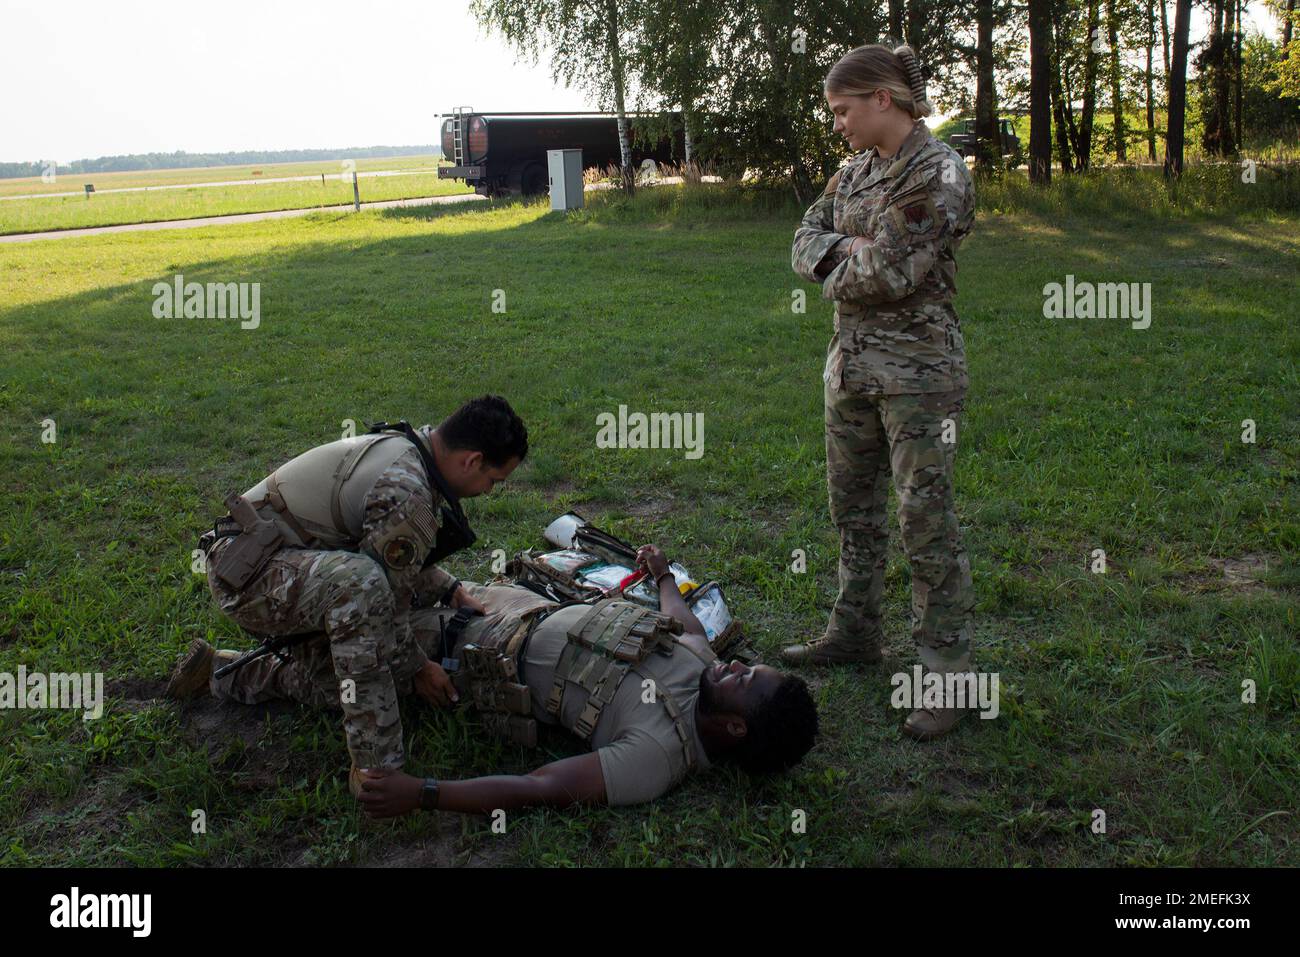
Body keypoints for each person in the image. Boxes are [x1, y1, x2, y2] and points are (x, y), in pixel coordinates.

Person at [168, 395, 527, 792]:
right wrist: (417, 668)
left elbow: (388, 554)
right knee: (362, 588)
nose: (489, 491)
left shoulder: (411, 447)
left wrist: (450, 588)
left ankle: (219, 673)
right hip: (248, 576)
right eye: (493, 481)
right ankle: (378, 773)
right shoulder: (406, 487)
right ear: (472, 460)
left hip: (278, 560)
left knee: (333, 685)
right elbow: (384, 599)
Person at [784, 43, 978, 741]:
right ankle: (855, 631)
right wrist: (847, 249)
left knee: (925, 525)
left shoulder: (940, 172)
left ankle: (948, 677)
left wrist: (847, 255)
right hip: (852, 370)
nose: (838, 125)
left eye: (843, 111)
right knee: (853, 514)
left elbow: (889, 276)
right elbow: (804, 238)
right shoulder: (855, 171)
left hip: (917, 379)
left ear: (883, 101)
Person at [355, 544, 819, 816]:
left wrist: (422, 792)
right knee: (396, 570)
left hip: (482, 646)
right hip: (523, 604)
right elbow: (688, 626)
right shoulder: (704, 671)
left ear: (736, 726)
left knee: (361, 619)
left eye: (744, 678)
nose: (733, 666)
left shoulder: (656, 755)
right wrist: (661, 577)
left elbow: (538, 787)